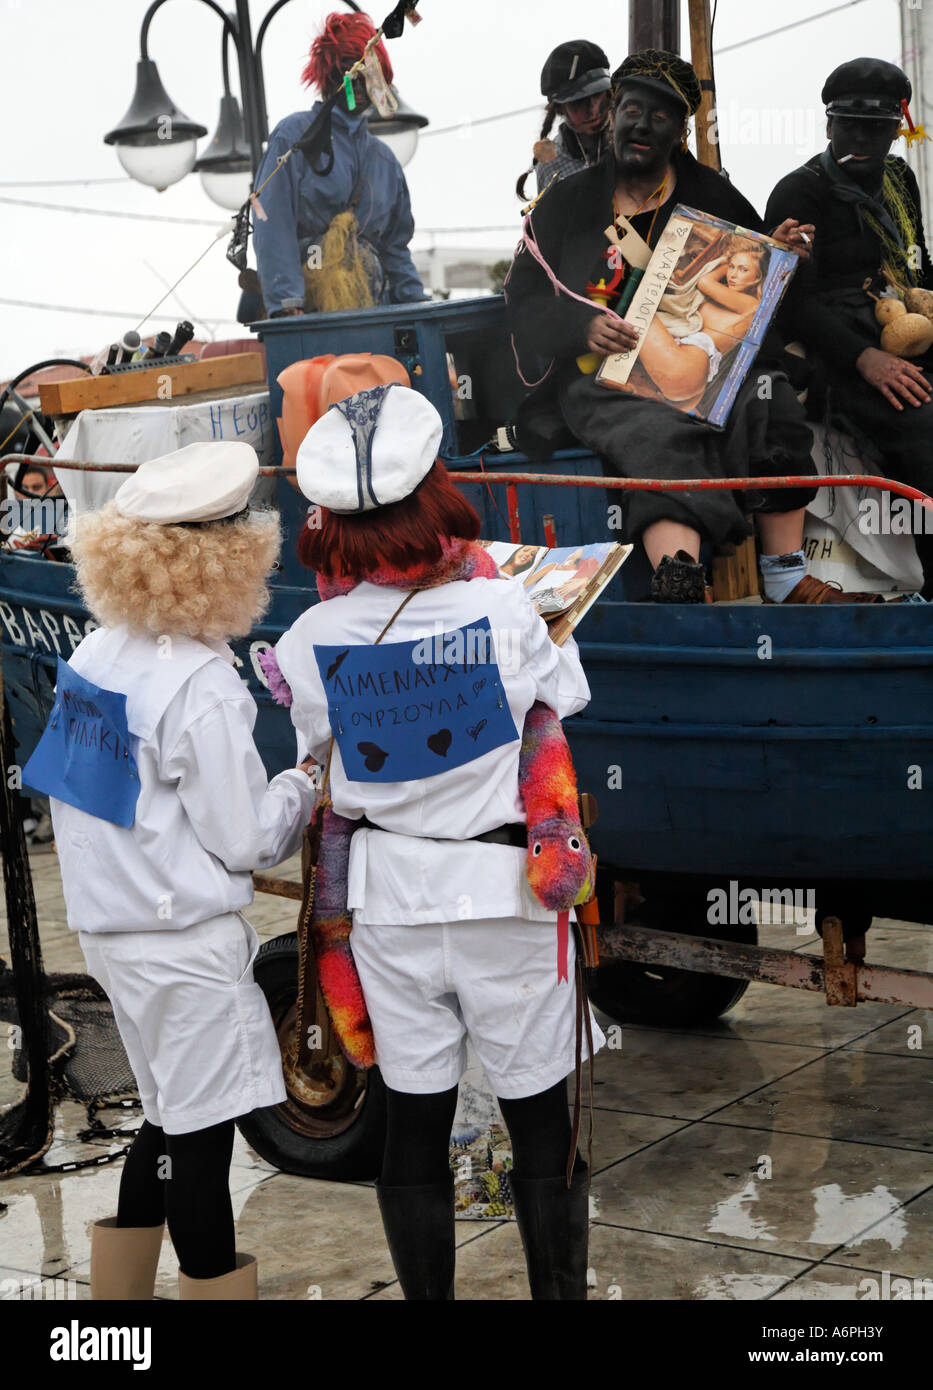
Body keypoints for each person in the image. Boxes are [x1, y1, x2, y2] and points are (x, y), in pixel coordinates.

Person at [262, 383, 604, 1300]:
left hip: (388, 908)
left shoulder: (308, 638)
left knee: (412, 1124)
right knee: (541, 1125)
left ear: (327, 524)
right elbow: (560, 698)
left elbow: (317, 755)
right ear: (437, 502)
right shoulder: (499, 613)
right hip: (506, 898)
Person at [24, 442, 318, 1300]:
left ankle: (119, 1312)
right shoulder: (200, 684)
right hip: (183, 944)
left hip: (110, 930)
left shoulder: (93, 653)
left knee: (167, 1116)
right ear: (229, 559)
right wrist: (301, 786)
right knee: (201, 1141)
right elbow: (245, 840)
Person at [505, 49, 881, 605]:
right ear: (613, 112)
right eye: (633, 109)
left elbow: (761, 295)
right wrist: (580, 327)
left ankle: (784, 576)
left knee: (769, 395)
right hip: (605, 378)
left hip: (710, 365)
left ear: (680, 131)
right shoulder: (565, 202)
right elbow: (522, 298)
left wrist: (775, 252)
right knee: (656, 430)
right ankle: (680, 579)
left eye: (660, 117)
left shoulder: (714, 197)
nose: (642, 125)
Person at [765, 57, 933, 595]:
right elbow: (794, 304)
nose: (861, 138)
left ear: (895, 129)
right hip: (835, 350)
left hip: (903, 323)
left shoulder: (900, 180)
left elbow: (917, 263)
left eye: (878, 128)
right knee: (921, 425)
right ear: (829, 124)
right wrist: (867, 359)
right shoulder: (798, 193)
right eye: (849, 125)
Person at [248, 10, 426, 319]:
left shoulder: (385, 162)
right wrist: (287, 305)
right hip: (312, 317)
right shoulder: (295, 136)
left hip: (374, 317)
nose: (359, 83)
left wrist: (420, 311)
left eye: (369, 73)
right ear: (328, 75)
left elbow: (396, 249)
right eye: (349, 71)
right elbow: (272, 222)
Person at [516, 40, 613, 200]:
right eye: (579, 103)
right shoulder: (550, 167)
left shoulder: (630, 142)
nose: (593, 109)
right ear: (561, 108)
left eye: (597, 95)